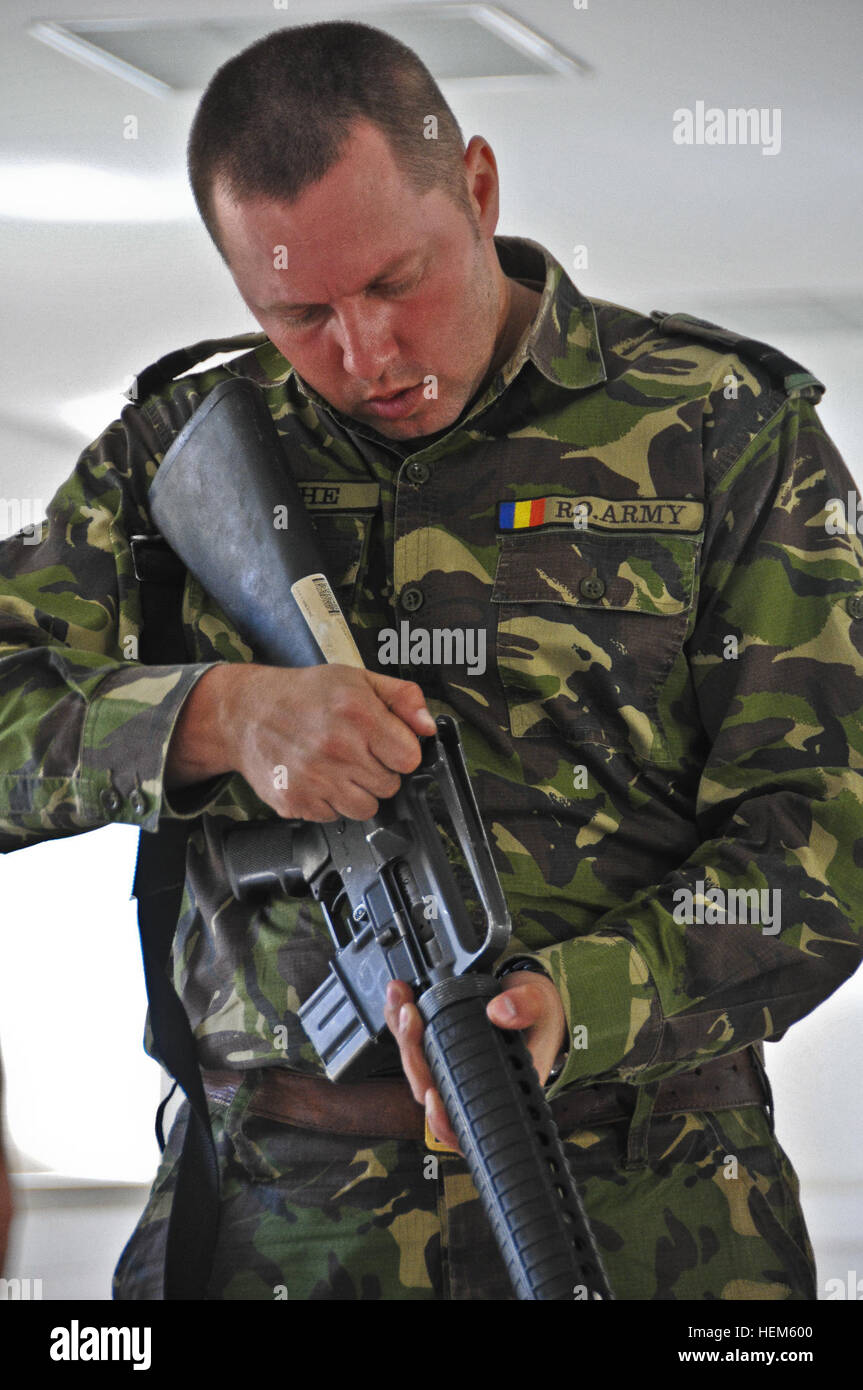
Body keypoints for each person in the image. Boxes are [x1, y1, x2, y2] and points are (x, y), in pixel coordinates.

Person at [1, 19, 861, 1302]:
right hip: (269, 1226)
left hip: (652, 1213)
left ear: (477, 187)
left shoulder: (718, 430)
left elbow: (826, 835)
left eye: (397, 282)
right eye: (298, 313)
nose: (366, 357)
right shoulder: (171, 454)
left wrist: (589, 996)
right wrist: (214, 717)